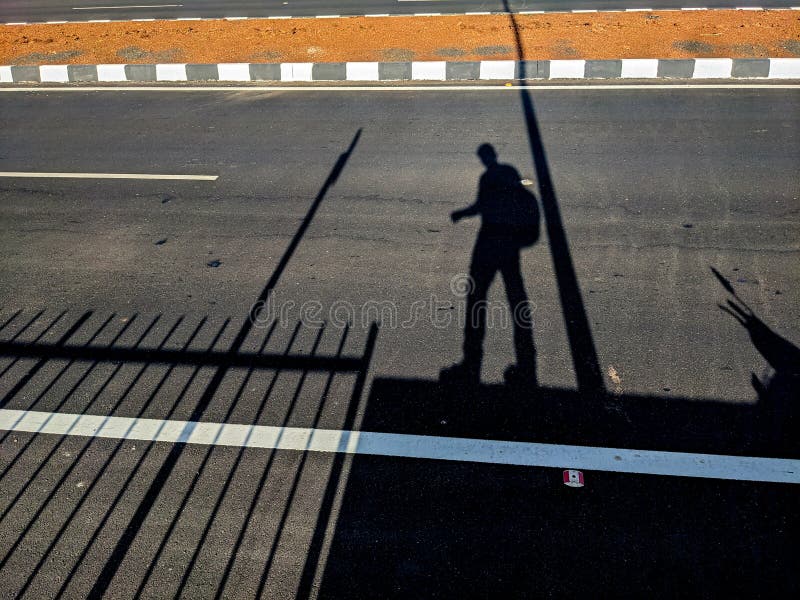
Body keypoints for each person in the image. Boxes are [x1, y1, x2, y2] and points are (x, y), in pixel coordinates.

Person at [441, 143, 539, 387]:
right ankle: (526, 359)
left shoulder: (487, 177)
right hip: (509, 241)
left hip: (488, 242)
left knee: (477, 298)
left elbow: (481, 206)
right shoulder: (509, 172)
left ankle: (471, 359)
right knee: (515, 296)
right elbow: (518, 199)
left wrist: (461, 214)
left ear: (485, 158)